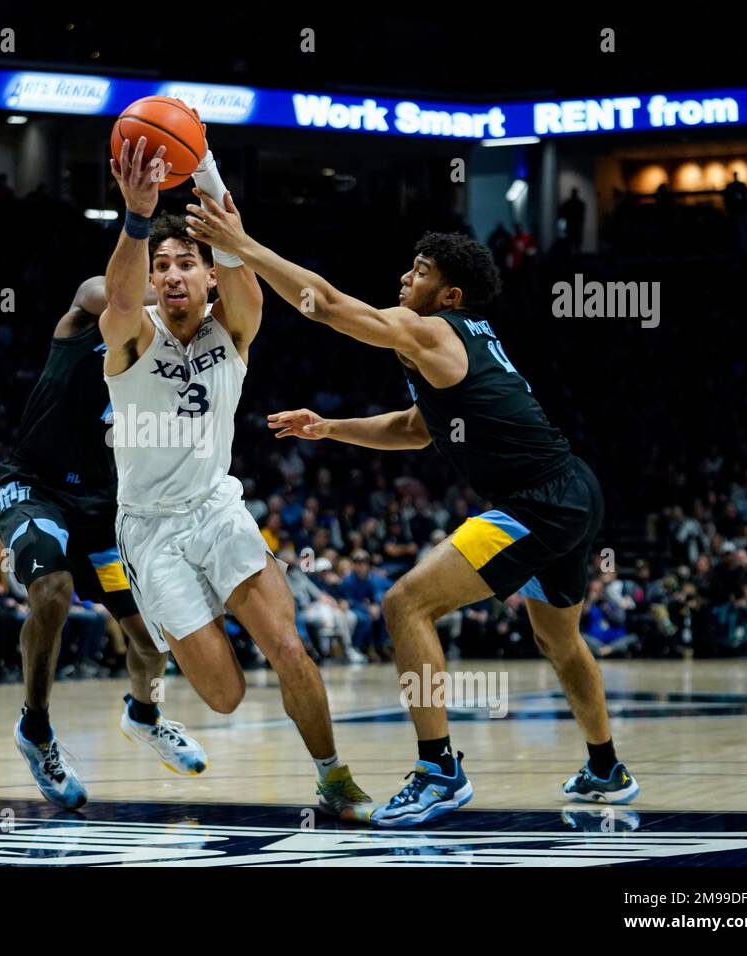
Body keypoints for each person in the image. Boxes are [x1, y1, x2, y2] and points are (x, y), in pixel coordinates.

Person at [187, 206, 639, 825]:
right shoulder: (461, 341)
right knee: (559, 639)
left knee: (405, 604)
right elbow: (416, 429)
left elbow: (327, 304)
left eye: (420, 271)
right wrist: (331, 428)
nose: (405, 277)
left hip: (538, 501)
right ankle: (606, 768)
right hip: (573, 491)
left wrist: (244, 246)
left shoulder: (433, 329)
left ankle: (438, 769)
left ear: (448, 295)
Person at [101, 133, 374, 821]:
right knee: (224, 696)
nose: (170, 275)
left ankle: (333, 776)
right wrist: (137, 218)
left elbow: (241, 257)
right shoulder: (133, 335)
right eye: (161, 265)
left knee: (287, 645)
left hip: (218, 511)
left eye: (185, 263)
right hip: (151, 531)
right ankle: (156, 681)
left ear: (209, 274)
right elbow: (122, 299)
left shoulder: (236, 327)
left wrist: (207, 167)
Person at [0, 271, 208, 809]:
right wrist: (187, 295)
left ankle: (145, 714)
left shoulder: (168, 362)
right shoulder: (91, 316)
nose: (171, 281)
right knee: (53, 592)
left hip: (101, 508)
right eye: (163, 271)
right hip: (33, 487)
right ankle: (36, 729)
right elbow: (100, 289)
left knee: (153, 635)